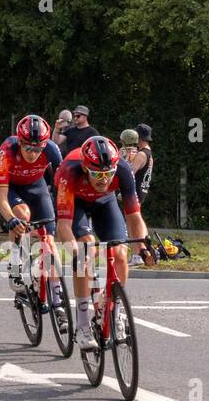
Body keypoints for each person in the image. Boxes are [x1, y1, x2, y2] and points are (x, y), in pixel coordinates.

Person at [54, 135, 154, 348]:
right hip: (77, 203)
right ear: (85, 167)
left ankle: (116, 312)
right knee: (86, 250)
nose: (104, 180)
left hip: (105, 202)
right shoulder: (68, 172)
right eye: (97, 174)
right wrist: (75, 254)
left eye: (108, 174)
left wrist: (142, 247)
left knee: (120, 253)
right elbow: (63, 225)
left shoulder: (123, 169)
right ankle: (82, 326)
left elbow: (134, 216)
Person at [0, 114, 63, 307]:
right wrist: (10, 219)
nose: (32, 153)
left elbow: (65, 184)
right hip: (12, 189)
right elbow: (0, 196)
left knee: (49, 240)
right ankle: (16, 262)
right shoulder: (7, 150)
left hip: (37, 187)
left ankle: (57, 297)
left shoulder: (52, 149)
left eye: (37, 148)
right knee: (22, 215)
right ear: (19, 141)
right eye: (27, 147)